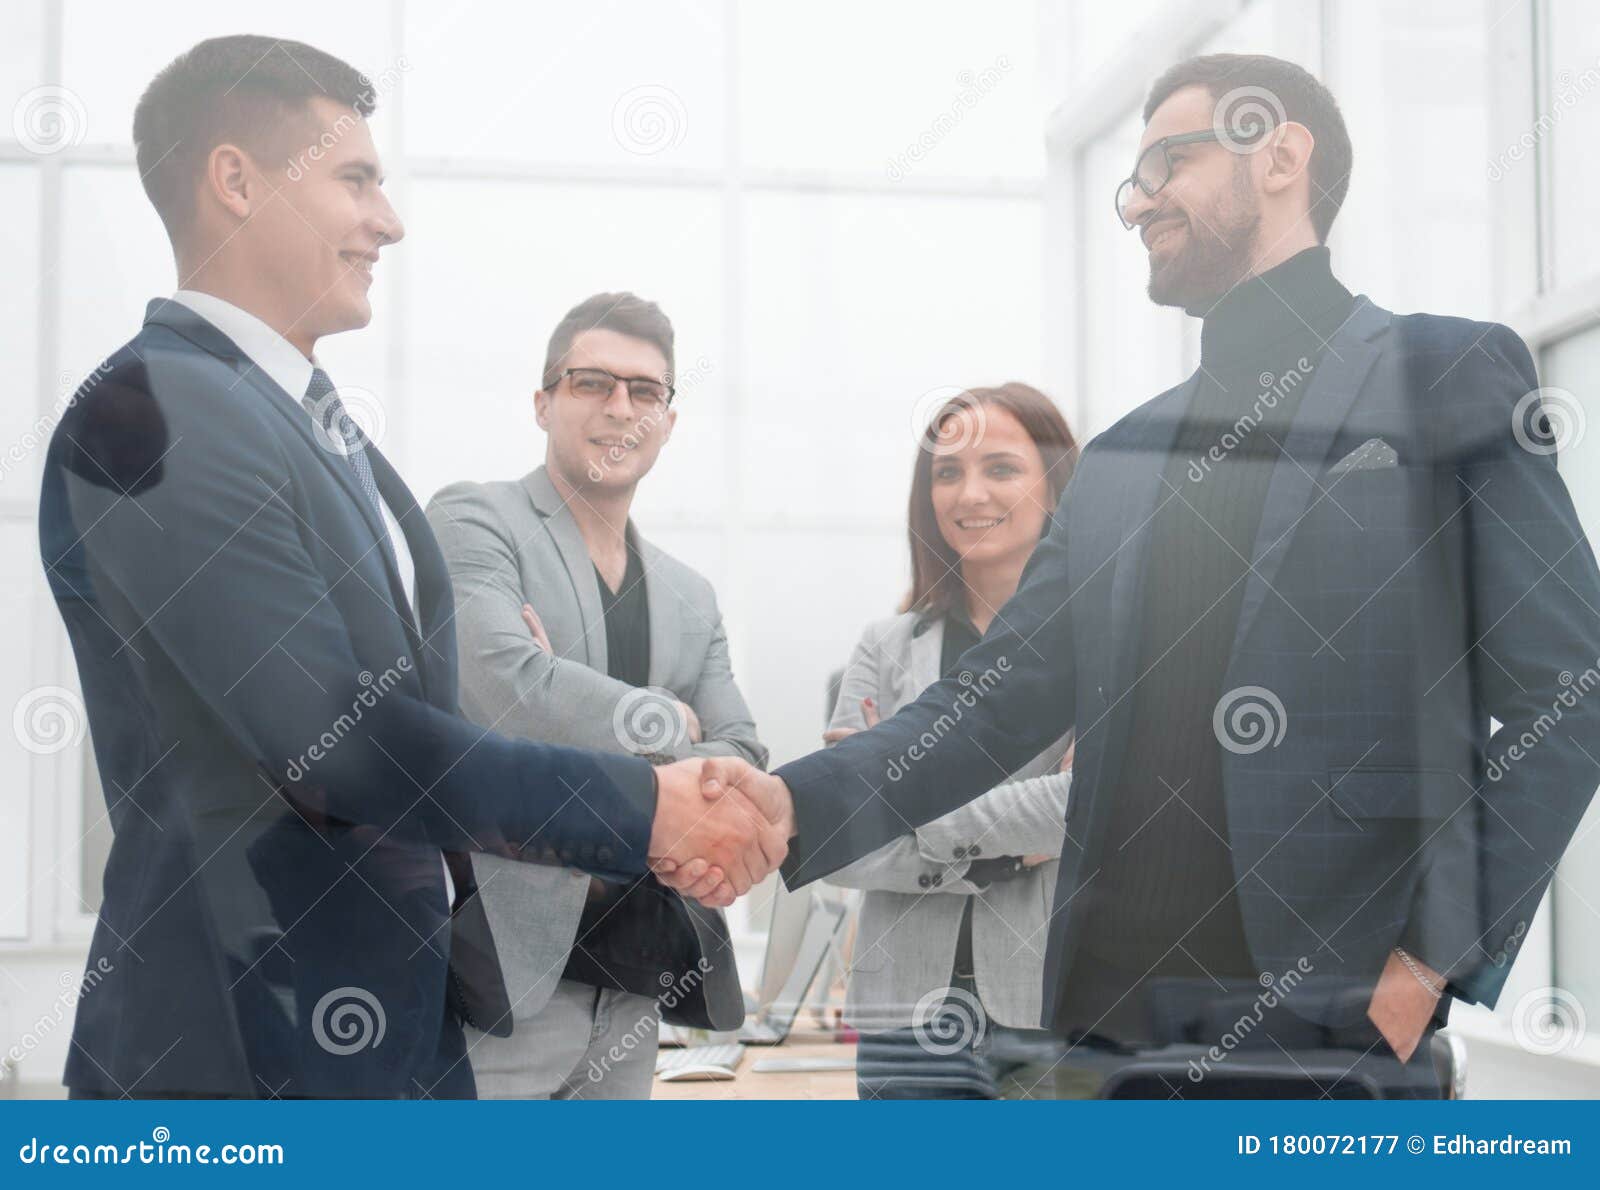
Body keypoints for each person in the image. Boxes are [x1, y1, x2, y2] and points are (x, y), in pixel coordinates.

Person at [678, 53, 1600, 1098]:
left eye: (1169, 160)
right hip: (1103, 1035)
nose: (1136, 202)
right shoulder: (1123, 458)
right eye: (1130, 179)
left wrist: (1429, 961)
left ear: (1282, 152)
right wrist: (789, 803)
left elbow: (1568, 695)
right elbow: (992, 700)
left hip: (1328, 1029)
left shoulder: (1441, 371)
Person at [38, 35, 784, 1100]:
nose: (389, 219)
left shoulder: (316, 424)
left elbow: (417, 716)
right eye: (356, 179)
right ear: (238, 181)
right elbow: (341, 746)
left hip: (400, 1033)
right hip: (238, 1050)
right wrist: (647, 807)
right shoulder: (153, 412)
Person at [425, 291, 767, 1097]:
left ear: (668, 420)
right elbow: (504, 686)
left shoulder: (690, 595)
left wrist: (571, 700)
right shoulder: (475, 519)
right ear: (544, 403)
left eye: (645, 391)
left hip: (638, 974)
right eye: (591, 383)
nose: (621, 408)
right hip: (502, 975)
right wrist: (672, 716)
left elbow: (744, 754)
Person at [821, 383, 1076, 1099]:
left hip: (1049, 1002)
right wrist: (1010, 849)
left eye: (1001, 468)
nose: (970, 493)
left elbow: (1091, 807)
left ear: (1056, 487)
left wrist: (896, 799)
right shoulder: (883, 649)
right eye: (947, 472)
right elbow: (837, 841)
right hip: (902, 1005)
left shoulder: (1106, 647)